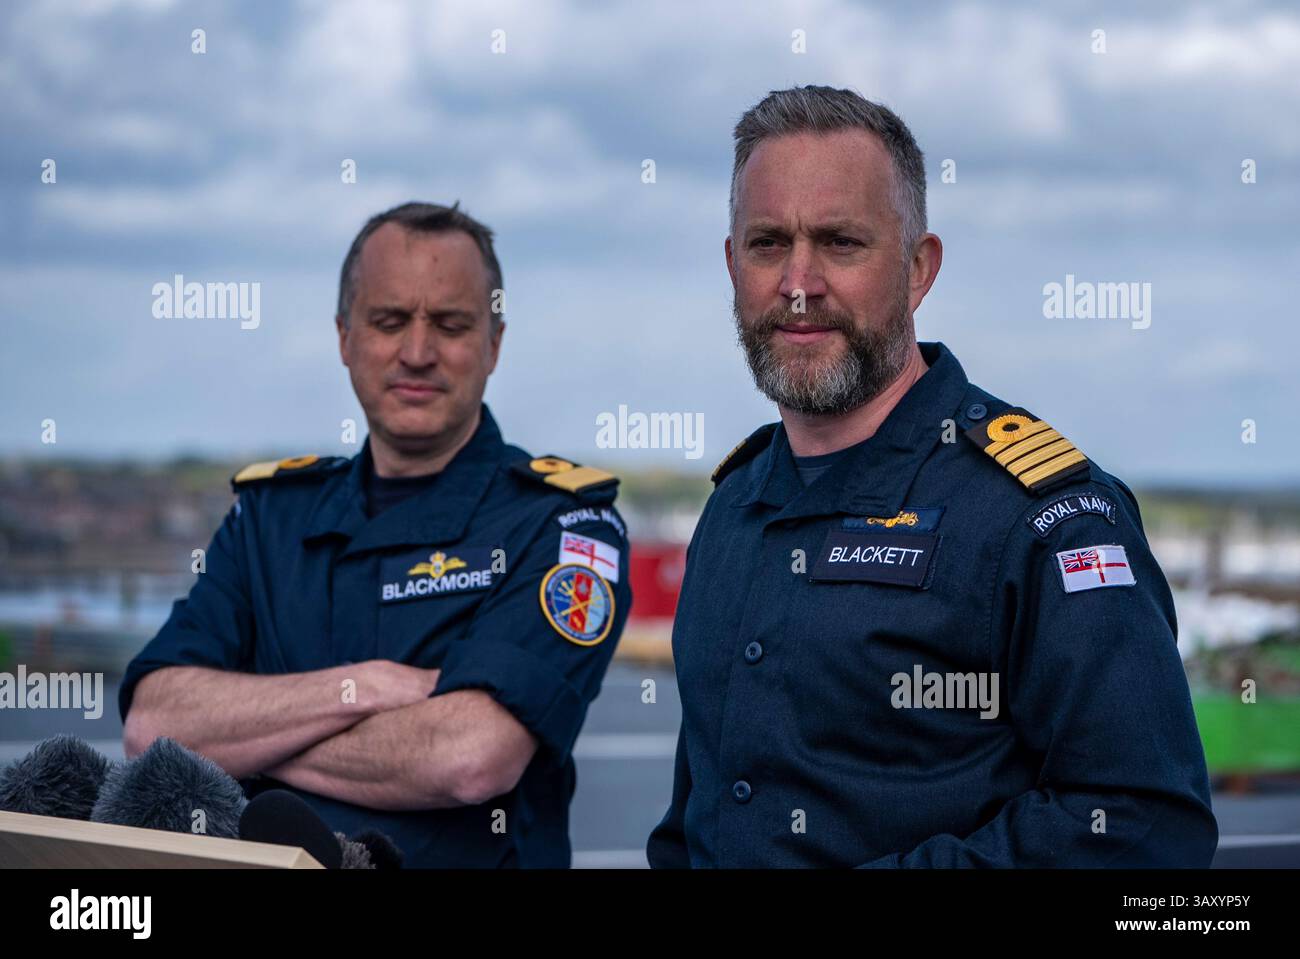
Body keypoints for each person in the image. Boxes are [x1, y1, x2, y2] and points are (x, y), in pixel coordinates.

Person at [646, 86, 1217, 868]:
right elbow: (700, 821)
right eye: (768, 243)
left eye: (842, 243)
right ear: (731, 263)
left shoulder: (1045, 519)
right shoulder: (734, 510)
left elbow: (1144, 825)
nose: (800, 283)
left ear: (918, 269)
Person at [120, 202, 631, 868]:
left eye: (450, 324)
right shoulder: (270, 517)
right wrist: (370, 685)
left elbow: (468, 757)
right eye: (389, 321)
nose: (417, 353)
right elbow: (153, 724)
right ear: (344, 336)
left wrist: (249, 736)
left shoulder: (562, 523)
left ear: (494, 344)